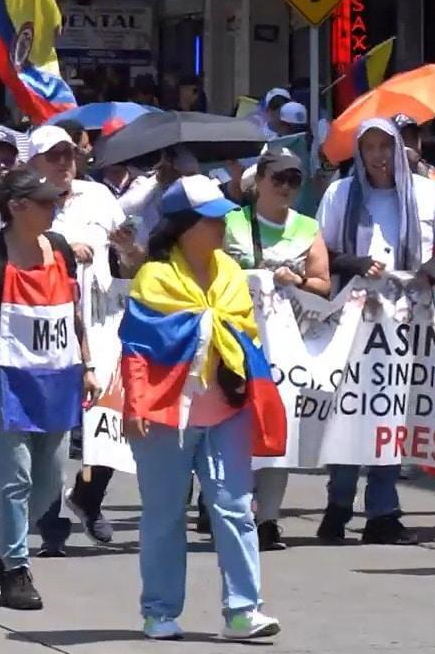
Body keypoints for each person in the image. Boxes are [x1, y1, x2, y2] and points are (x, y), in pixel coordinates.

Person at [119, 176, 283, 641]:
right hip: (166, 413)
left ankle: (242, 611)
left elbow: (244, 335)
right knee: (165, 513)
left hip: (226, 410)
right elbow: (135, 349)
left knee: (234, 508)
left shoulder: (230, 272)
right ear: (186, 226)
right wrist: (134, 405)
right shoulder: (154, 278)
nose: (222, 223)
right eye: (212, 218)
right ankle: (159, 611)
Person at [315, 118, 435, 544]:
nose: (378, 156)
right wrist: (357, 265)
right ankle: (338, 507)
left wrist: (431, 271)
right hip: (354, 319)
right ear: (359, 153)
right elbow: (322, 250)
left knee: (392, 413)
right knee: (351, 412)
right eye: (369, 147)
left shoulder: (426, 192)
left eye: (385, 146)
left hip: (407, 319)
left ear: (399, 148)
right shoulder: (341, 193)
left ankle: (382, 512)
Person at [0, 169, 89, 609]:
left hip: (55, 372)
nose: (55, 208)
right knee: (16, 475)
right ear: (16, 206)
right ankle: (15, 569)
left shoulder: (61, 249)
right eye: (46, 202)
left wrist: (88, 363)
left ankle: (2, 535)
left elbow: (72, 311)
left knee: (51, 477)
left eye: (56, 201)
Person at [26, 124, 135, 549]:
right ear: (33, 161)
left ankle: (88, 494)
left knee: (109, 416)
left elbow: (130, 261)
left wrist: (126, 247)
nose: (63, 164)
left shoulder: (99, 197)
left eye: (69, 155)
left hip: (102, 320)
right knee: (52, 425)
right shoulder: (24, 202)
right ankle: (50, 519)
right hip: (47, 321)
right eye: (53, 156)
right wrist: (59, 247)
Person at [219, 145, 329, 550]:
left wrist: (295, 280)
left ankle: (268, 519)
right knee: (229, 425)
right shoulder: (231, 223)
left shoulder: (307, 228)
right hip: (234, 337)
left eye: (293, 180)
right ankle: (227, 508)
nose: (285, 187)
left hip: (283, 345)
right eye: (277, 178)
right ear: (259, 181)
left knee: (276, 424)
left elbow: (322, 283)